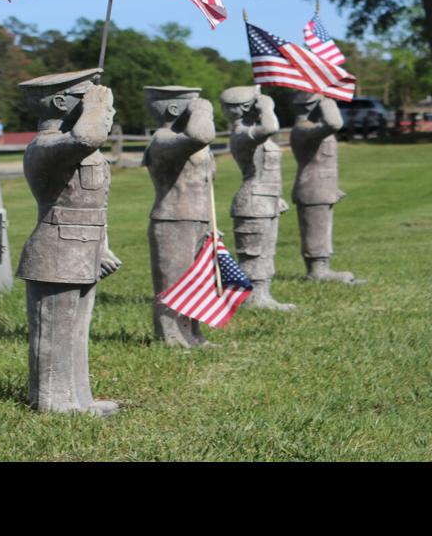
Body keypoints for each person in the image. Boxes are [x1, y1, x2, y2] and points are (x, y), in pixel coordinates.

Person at [17, 69, 123, 415]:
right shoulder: (46, 146)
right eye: (85, 95)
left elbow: (95, 203)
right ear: (61, 102)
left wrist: (101, 245)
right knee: (55, 333)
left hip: (85, 251)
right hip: (56, 250)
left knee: (77, 335)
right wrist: (100, 104)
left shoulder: (78, 150)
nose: (97, 101)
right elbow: (86, 137)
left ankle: (78, 396)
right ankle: (51, 399)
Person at [143, 85, 216, 348]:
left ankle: (192, 334)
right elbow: (200, 134)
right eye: (193, 103)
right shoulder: (164, 139)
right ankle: (170, 336)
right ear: (175, 108)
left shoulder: (188, 144)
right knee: (174, 283)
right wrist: (203, 109)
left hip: (199, 219)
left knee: (196, 282)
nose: (201, 106)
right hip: (173, 220)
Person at [220, 86, 294, 311]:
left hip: (267, 200)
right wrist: (267, 105)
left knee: (267, 252)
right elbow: (270, 126)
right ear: (245, 108)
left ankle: (263, 295)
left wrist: (276, 197)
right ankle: (253, 298)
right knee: (254, 254)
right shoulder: (242, 134)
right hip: (253, 201)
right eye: (255, 102)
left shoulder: (252, 133)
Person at [290, 92, 363, 284]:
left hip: (322, 187)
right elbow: (334, 123)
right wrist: (328, 102)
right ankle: (316, 271)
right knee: (315, 229)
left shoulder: (312, 129)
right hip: (312, 188)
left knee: (323, 228)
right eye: (318, 103)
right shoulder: (302, 129)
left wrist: (332, 188)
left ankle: (324, 267)